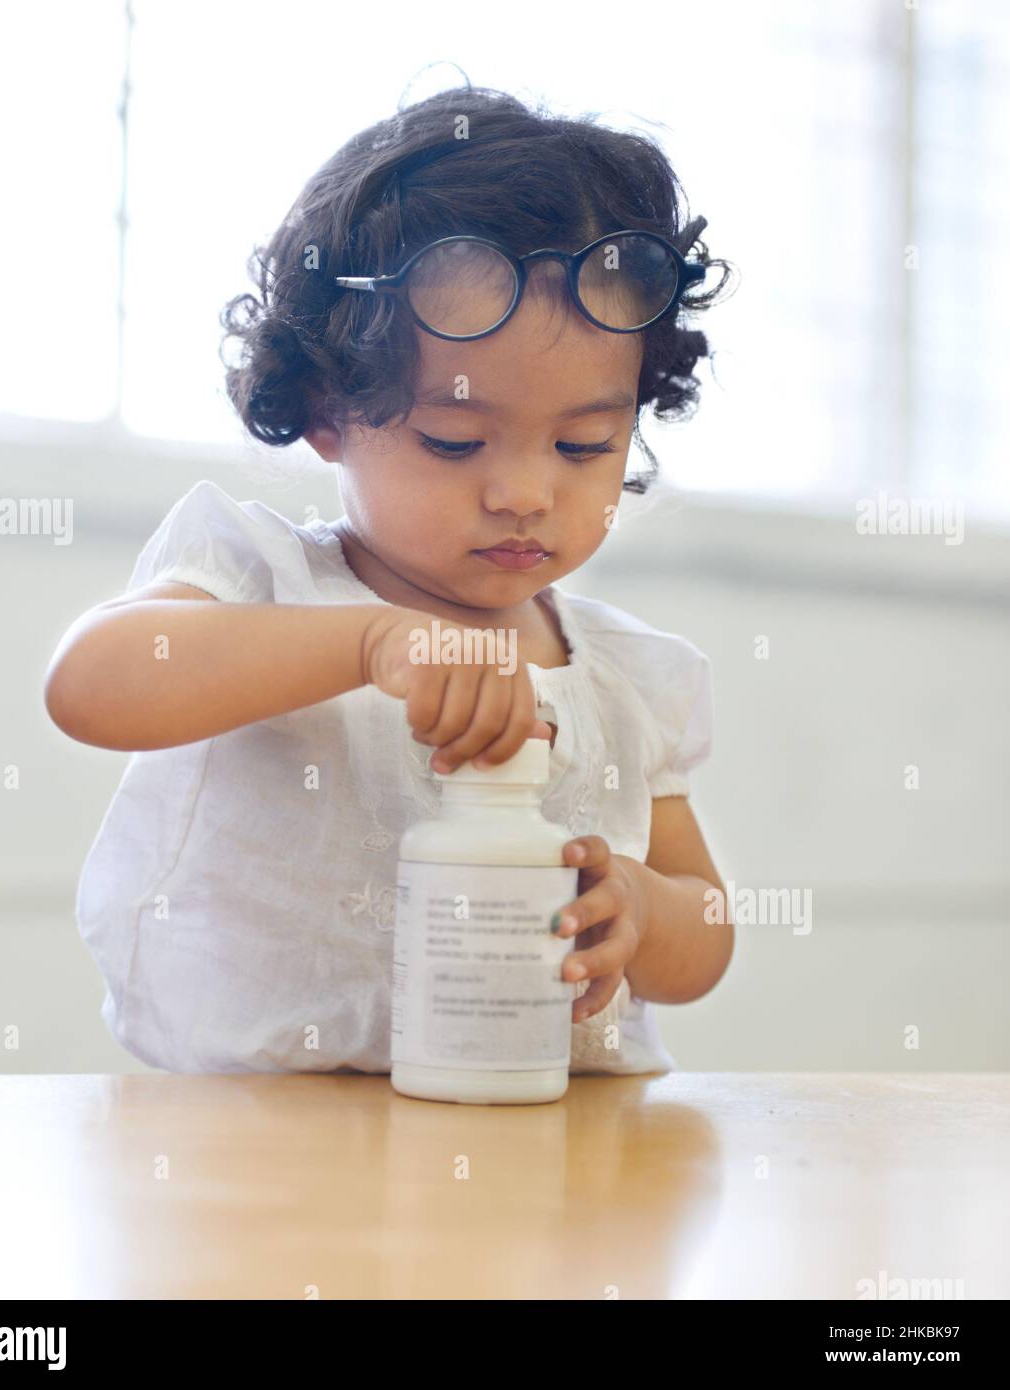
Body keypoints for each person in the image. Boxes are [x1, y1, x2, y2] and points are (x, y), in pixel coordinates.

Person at [44, 84, 736, 1076]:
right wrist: (371, 642)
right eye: (455, 441)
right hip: (259, 1160)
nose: (524, 493)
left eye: (585, 443)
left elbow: (706, 927)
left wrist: (639, 904)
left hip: (548, 1161)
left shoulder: (628, 676)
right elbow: (89, 683)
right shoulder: (263, 577)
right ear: (328, 409)